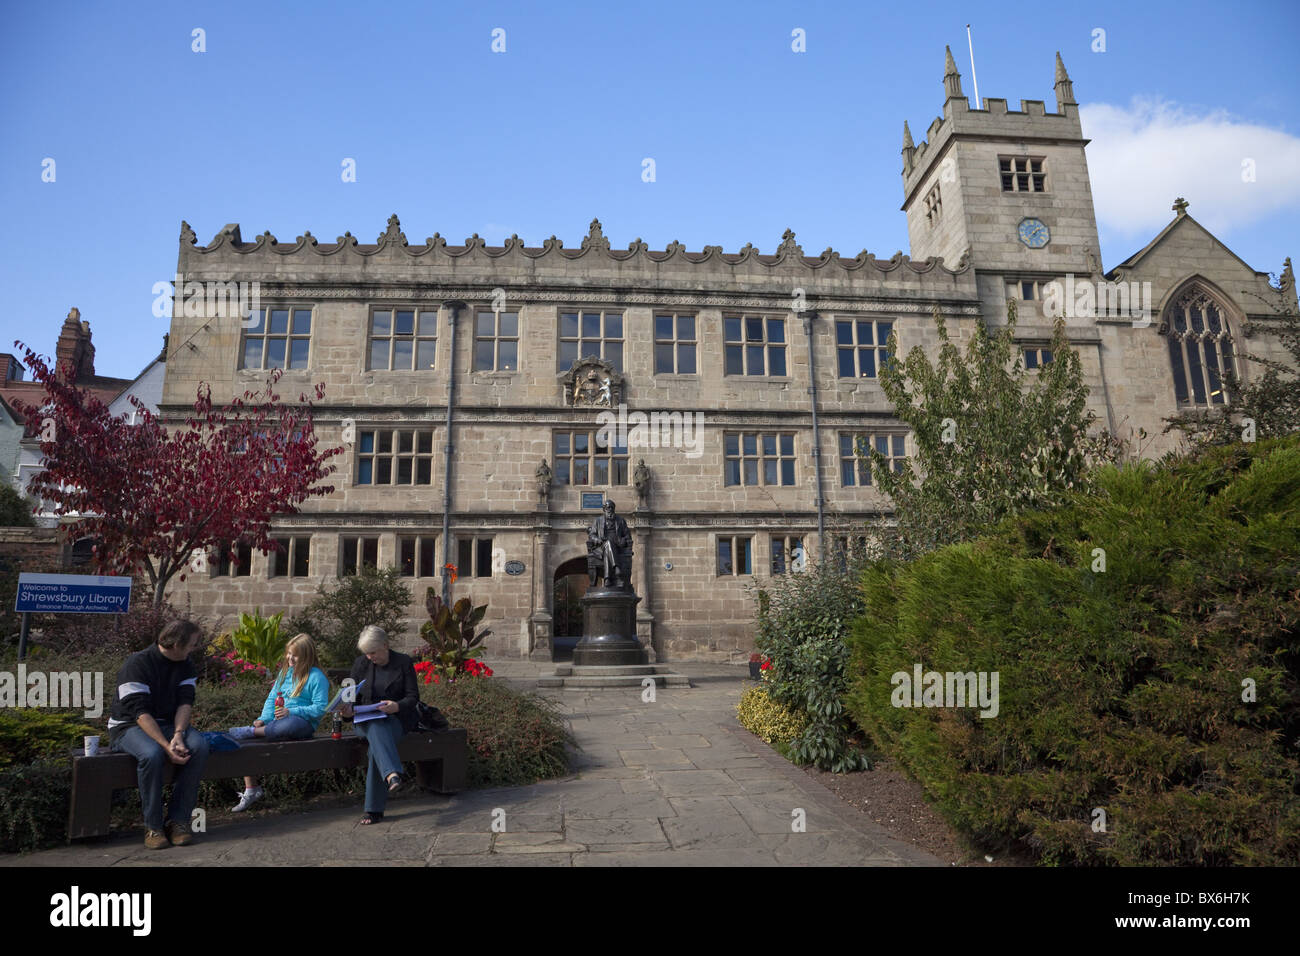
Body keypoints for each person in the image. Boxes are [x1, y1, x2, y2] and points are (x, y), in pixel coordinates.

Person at [107, 618, 211, 849]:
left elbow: (185, 702)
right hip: (128, 726)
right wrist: (166, 746)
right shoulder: (137, 664)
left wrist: (178, 735)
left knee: (200, 746)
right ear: (177, 644)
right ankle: (153, 827)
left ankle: (178, 821)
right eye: (193, 643)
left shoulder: (186, 664)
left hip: (168, 724)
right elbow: (140, 713)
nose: (196, 648)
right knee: (152, 754)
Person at [227, 633, 330, 811]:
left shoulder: (316, 676)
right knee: (243, 743)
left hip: (302, 724)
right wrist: (262, 719)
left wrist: (292, 711)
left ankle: (252, 731)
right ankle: (251, 789)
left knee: (289, 725)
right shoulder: (285, 673)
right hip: (275, 725)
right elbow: (271, 698)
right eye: (288, 653)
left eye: (295, 655)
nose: (290, 658)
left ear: (306, 656)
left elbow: (320, 708)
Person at [340, 624, 418, 824]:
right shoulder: (360, 664)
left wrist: (396, 706)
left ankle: (374, 810)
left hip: (395, 719)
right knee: (375, 727)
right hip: (364, 720)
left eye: (373, 652)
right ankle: (392, 774)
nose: (370, 657)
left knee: (377, 741)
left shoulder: (403, 662)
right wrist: (346, 711)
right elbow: (349, 698)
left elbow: (413, 697)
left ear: (385, 645)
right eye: (367, 653)